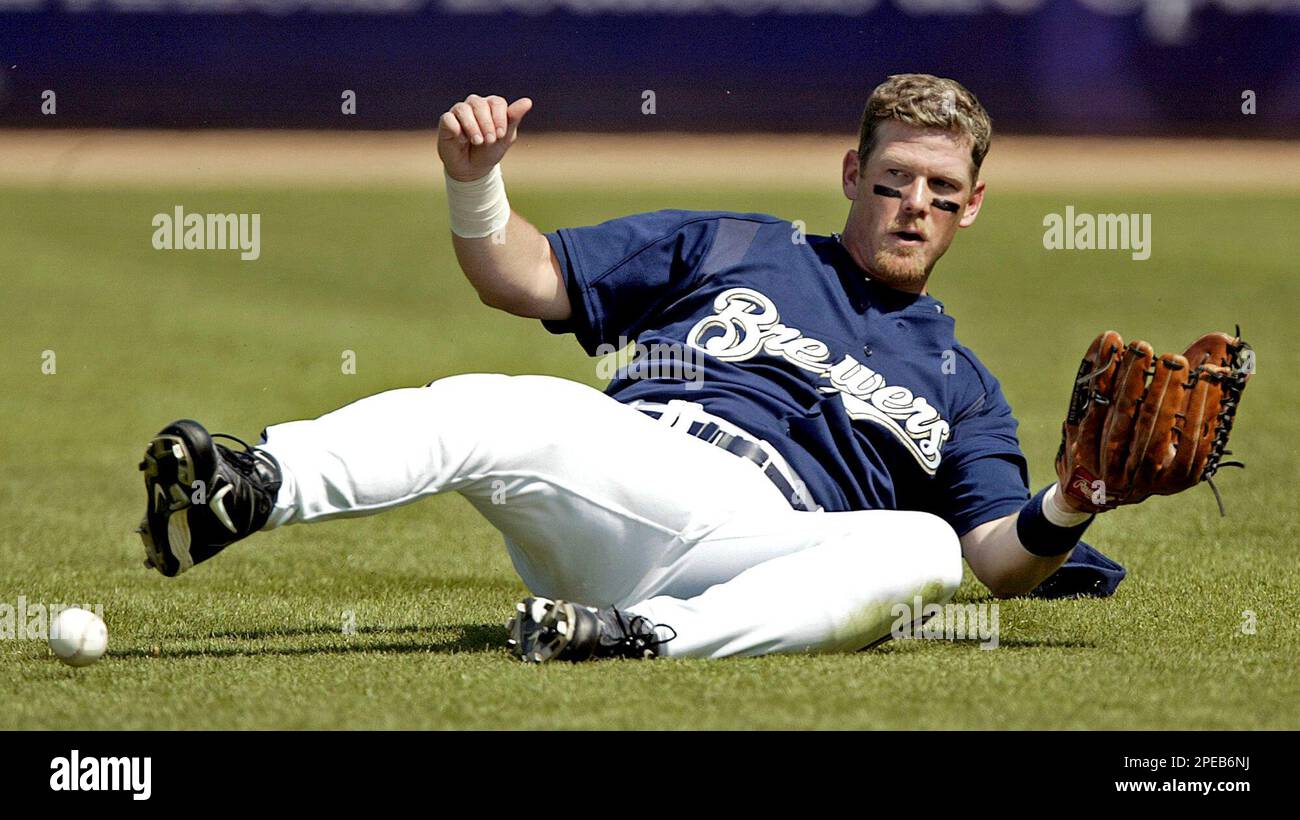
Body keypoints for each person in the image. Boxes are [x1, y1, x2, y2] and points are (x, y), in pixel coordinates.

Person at [137, 74, 1112, 663]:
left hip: (763, 548)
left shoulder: (961, 381)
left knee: (926, 553)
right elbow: (522, 278)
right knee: (502, 403)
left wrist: (1071, 501)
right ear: (851, 175)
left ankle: (627, 639)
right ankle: (246, 486)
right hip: (629, 465)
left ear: (972, 204)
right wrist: (474, 179)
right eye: (893, 179)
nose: (913, 204)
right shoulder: (734, 244)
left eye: (940, 190)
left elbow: (996, 559)